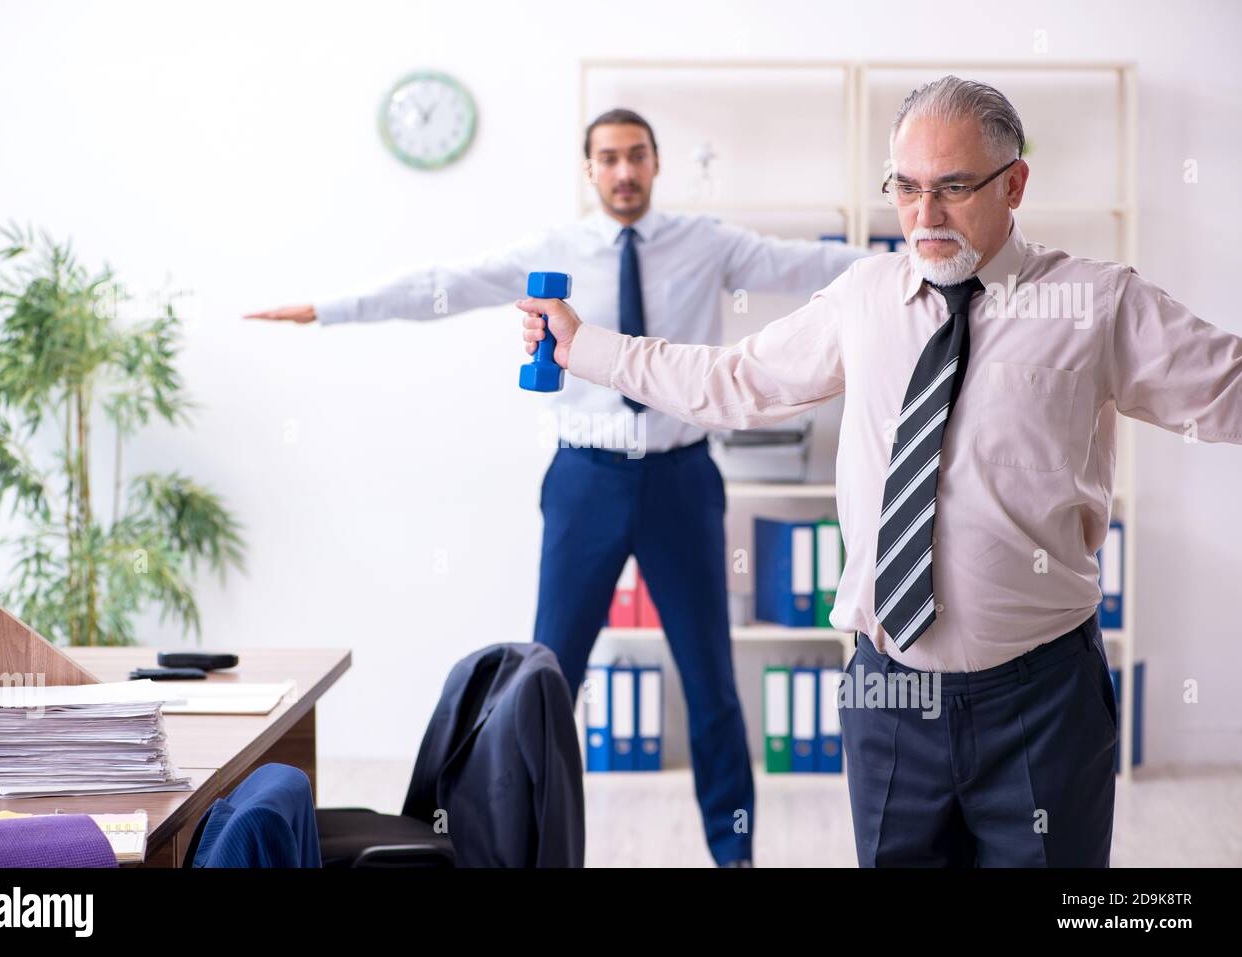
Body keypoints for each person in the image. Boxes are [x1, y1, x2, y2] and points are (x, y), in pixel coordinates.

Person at [518, 77, 1242, 867]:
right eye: (906, 188)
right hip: (887, 694)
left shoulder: (1094, 303)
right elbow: (730, 382)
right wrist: (582, 345)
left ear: (1015, 183)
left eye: (954, 188)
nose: (924, 216)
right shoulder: (863, 296)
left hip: (1041, 702)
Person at [246, 108, 869, 866]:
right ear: (590, 169)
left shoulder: (705, 243)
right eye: (608, 158)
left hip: (681, 479)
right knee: (545, 680)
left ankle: (733, 854)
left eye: (636, 156)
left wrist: (917, 259)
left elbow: (807, 264)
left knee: (711, 683)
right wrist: (326, 311)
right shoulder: (556, 250)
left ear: (656, 162)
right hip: (585, 480)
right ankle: (519, 850)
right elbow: (445, 285)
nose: (624, 172)